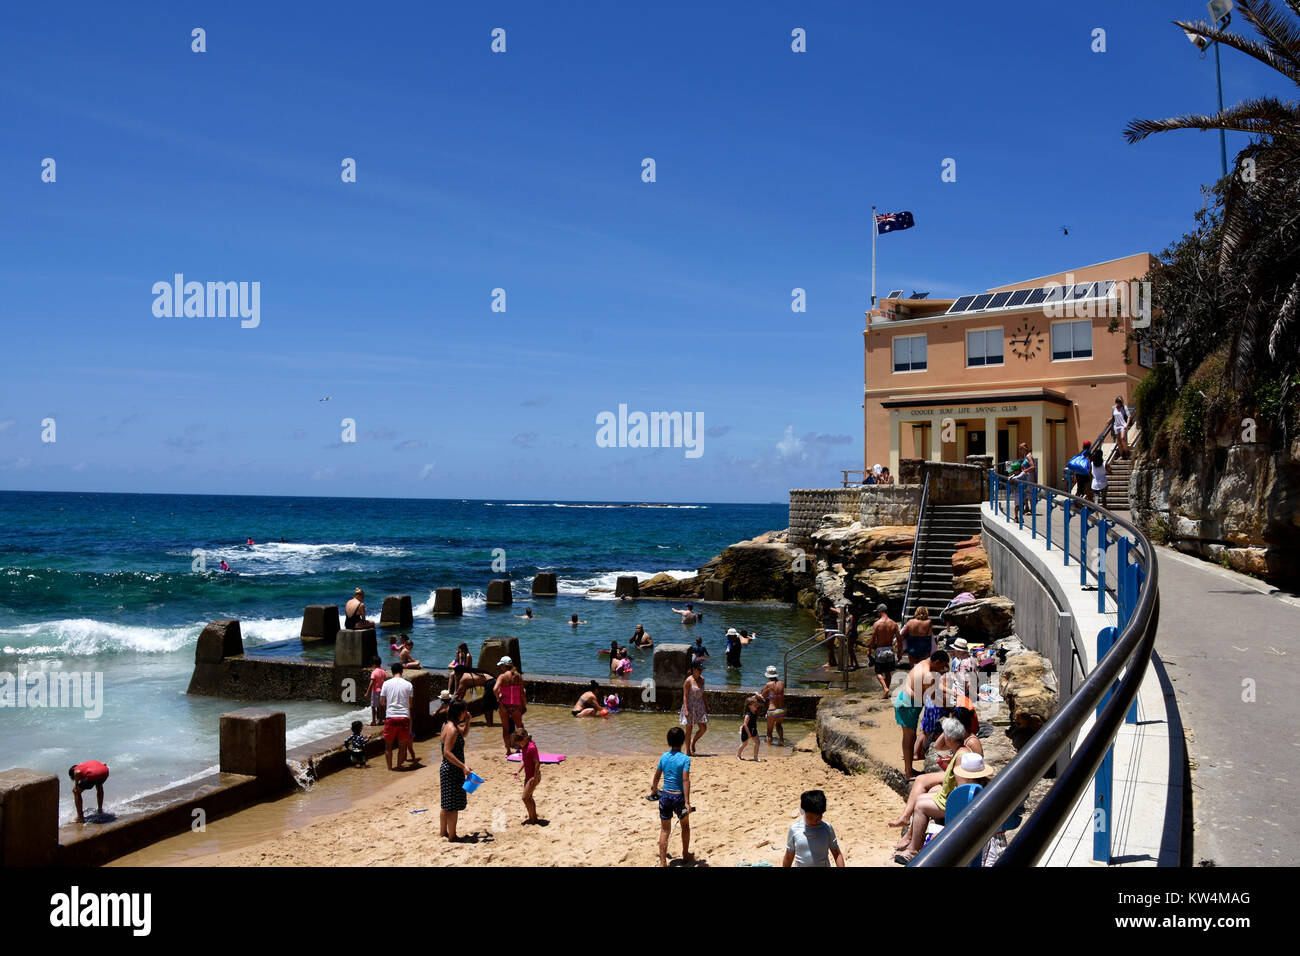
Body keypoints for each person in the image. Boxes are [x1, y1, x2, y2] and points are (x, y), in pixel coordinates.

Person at [894, 750, 993, 864]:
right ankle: (911, 846)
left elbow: (957, 820)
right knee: (925, 797)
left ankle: (912, 850)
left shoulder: (964, 793)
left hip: (973, 837)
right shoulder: (987, 785)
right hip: (981, 832)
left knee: (922, 806)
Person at [889, 716, 982, 833]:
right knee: (921, 779)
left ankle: (908, 829)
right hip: (955, 772)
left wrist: (948, 731)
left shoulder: (971, 742)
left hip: (961, 778)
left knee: (927, 791)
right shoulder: (960, 742)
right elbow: (937, 746)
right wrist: (947, 730)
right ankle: (905, 817)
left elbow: (974, 769)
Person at [893, 650, 949, 781]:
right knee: (909, 738)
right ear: (936, 662)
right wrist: (953, 705)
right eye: (942, 666)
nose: (942, 669)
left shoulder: (923, 663)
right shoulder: (928, 674)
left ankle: (909, 769)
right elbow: (935, 698)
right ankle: (908, 773)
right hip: (908, 706)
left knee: (909, 737)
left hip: (904, 701)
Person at [649, 726, 693, 867]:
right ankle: (685, 854)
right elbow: (685, 780)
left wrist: (654, 790)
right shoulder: (685, 759)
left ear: (668, 741)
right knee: (685, 826)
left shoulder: (664, 757)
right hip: (679, 797)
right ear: (683, 741)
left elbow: (657, 776)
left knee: (664, 830)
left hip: (666, 796)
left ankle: (662, 862)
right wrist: (687, 802)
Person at [783, 790, 845, 868]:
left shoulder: (827, 828)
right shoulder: (794, 829)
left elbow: (836, 853)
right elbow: (789, 856)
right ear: (802, 811)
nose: (814, 821)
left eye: (819, 817)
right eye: (810, 817)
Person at [439, 701, 474, 841]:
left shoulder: (447, 725)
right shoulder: (452, 729)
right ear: (458, 712)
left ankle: (443, 832)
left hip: (448, 769)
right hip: (452, 769)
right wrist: (463, 766)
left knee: (446, 804)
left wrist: (468, 722)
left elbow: (463, 734)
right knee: (452, 806)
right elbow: (447, 752)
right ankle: (452, 836)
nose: (466, 713)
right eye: (464, 711)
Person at [380, 662, 417, 771]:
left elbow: (382, 702)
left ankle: (390, 768)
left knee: (388, 747)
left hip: (390, 717)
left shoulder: (386, 684)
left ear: (391, 672)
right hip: (404, 717)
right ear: (402, 671)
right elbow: (410, 705)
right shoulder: (409, 685)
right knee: (402, 746)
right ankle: (399, 766)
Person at [494, 657, 527, 755]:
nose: (500, 667)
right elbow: (522, 693)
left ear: (504, 666)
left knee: (506, 729)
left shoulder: (502, 676)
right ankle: (521, 747)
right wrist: (524, 705)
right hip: (516, 706)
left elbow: (495, 689)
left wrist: (499, 699)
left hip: (504, 706)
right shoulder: (518, 676)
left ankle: (508, 750)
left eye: (501, 665)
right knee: (520, 727)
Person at [512, 728, 545, 825]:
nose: (520, 744)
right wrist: (518, 771)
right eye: (518, 743)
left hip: (533, 776)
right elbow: (524, 760)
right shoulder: (524, 746)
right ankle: (534, 819)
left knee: (525, 798)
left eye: (520, 742)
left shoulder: (531, 747)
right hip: (528, 776)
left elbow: (537, 763)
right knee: (529, 797)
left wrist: (534, 778)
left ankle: (532, 819)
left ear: (526, 738)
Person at [870, 604, 901, 698]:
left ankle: (885, 688)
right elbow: (899, 639)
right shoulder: (894, 624)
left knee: (878, 672)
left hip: (880, 650)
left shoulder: (877, 624)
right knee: (888, 672)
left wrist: (869, 650)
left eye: (878, 612)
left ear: (880, 611)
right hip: (890, 650)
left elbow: (872, 639)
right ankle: (886, 691)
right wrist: (899, 652)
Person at [679, 659, 709, 756]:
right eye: (699, 669)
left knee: (703, 728)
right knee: (689, 729)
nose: (700, 671)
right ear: (693, 669)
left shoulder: (702, 679)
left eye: (701, 669)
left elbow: (703, 694)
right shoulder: (688, 680)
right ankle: (688, 750)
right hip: (690, 705)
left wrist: (706, 705)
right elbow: (685, 696)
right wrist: (686, 710)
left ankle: (693, 742)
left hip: (699, 705)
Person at [760, 665, 786, 744]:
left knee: (769, 731)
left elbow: (762, 695)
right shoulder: (782, 683)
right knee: (779, 725)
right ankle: (781, 740)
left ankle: (769, 748)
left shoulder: (768, 684)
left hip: (772, 710)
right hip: (782, 710)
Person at [1013, 442, 1036, 521]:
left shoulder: (1029, 456)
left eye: (1020, 448)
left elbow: (1033, 466)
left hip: (1030, 478)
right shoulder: (1025, 456)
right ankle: (1027, 508)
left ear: (1025, 448)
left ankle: (1032, 510)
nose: (1019, 450)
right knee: (1027, 494)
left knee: (1030, 494)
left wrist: (1024, 471)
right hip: (1026, 478)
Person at [737, 693, 763, 761]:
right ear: (749, 706)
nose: (756, 705)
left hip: (754, 730)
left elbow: (760, 702)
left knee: (758, 743)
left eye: (756, 704)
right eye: (754, 705)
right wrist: (748, 734)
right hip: (746, 731)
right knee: (744, 744)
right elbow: (745, 724)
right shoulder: (748, 715)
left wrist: (756, 696)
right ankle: (738, 755)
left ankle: (755, 757)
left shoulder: (755, 712)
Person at [368, 657, 386, 725]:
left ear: (374, 664)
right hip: (382, 691)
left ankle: (373, 721)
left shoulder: (374, 672)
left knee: (373, 706)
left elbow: (371, 683)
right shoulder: (383, 671)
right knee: (380, 706)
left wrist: (367, 692)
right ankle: (380, 720)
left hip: (375, 691)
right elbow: (384, 680)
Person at [1091, 441, 1109, 509]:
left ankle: (1097, 515)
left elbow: (1090, 472)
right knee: (1104, 500)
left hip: (1094, 484)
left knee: (1096, 501)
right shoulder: (1104, 463)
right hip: (1103, 483)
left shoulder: (1092, 463)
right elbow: (1110, 471)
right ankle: (1104, 515)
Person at [843, 606, 860, 670]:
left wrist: (845, 634)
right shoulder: (853, 616)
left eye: (849, 608)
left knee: (850, 649)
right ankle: (852, 663)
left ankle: (856, 664)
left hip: (852, 634)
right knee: (850, 649)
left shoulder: (852, 617)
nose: (848, 609)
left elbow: (850, 627)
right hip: (854, 633)